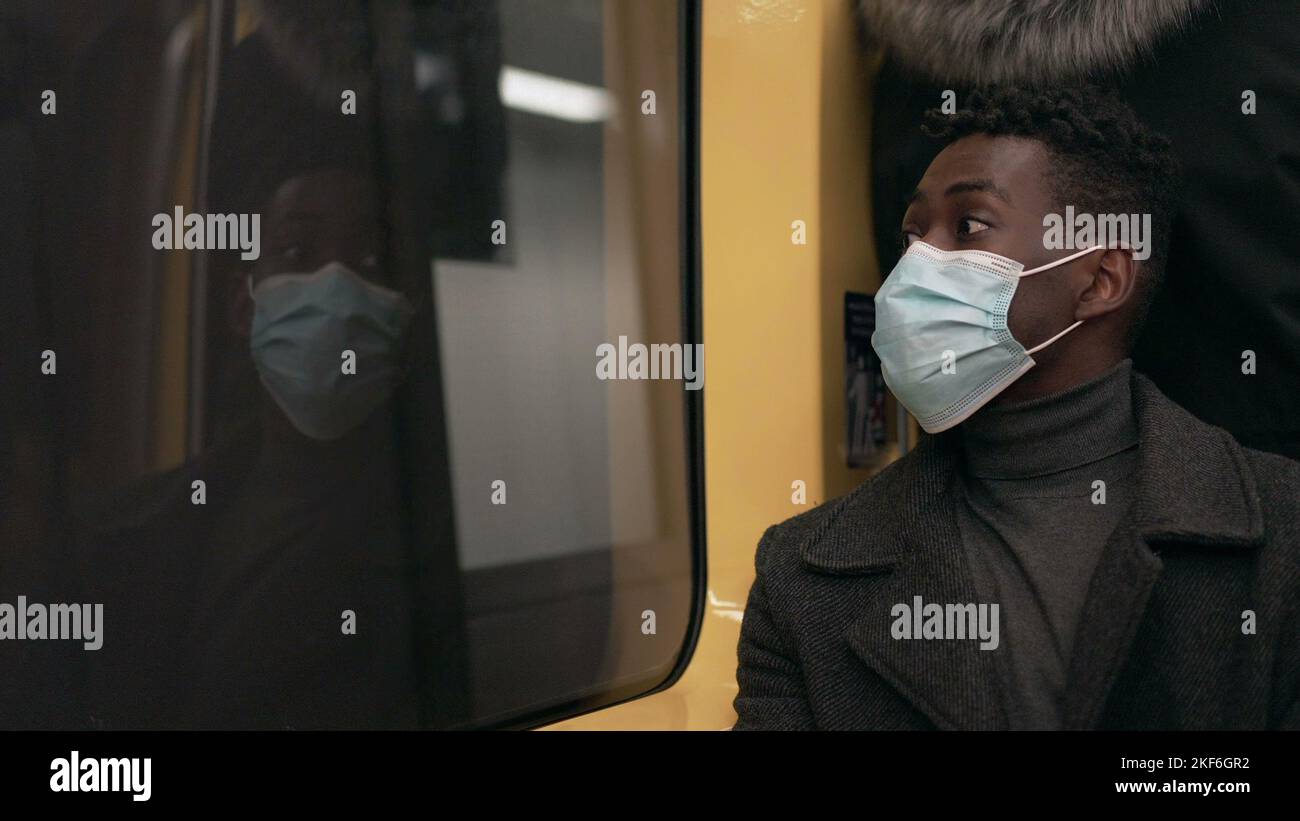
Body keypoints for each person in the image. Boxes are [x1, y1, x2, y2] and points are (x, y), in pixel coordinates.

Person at [733, 87, 1300, 730]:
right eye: (912, 234)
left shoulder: (1284, 536)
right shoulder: (801, 574)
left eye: (968, 226)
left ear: (1100, 279)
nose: (917, 265)